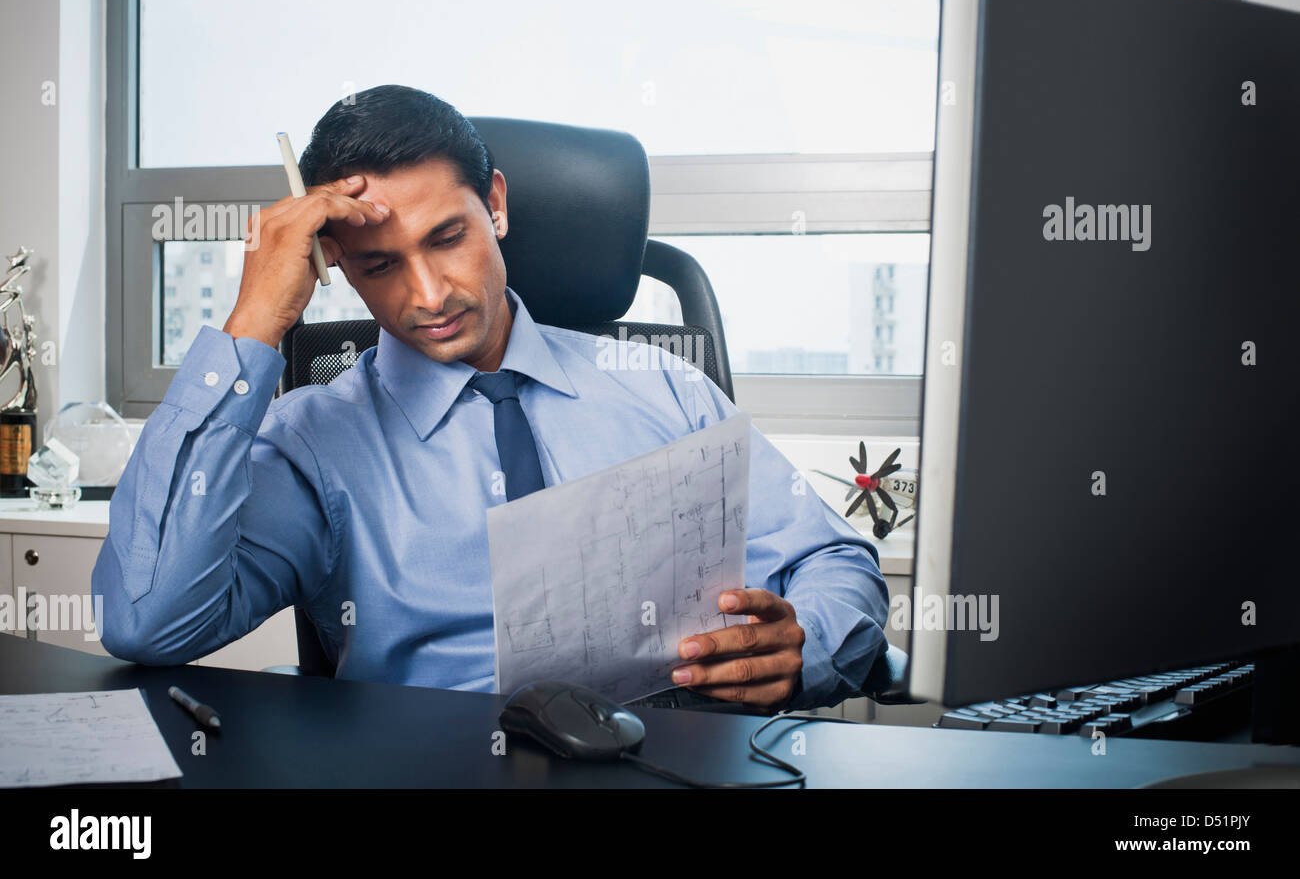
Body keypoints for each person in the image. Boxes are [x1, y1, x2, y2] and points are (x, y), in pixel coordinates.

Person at [92, 85, 890, 710]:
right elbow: (148, 620)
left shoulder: (667, 387)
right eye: (380, 265)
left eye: (447, 238)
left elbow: (833, 555)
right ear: (334, 264)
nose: (429, 293)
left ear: (496, 205)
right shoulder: (311, 441)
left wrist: (804, 643)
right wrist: (254, 323)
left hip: (679, 754)